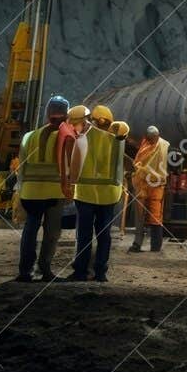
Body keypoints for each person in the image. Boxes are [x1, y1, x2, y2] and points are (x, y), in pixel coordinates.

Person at [14, 95, 74, 283]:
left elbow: (21, 167)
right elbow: (70, 165)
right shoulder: (68, 137)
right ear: (66, 114)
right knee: (52, 232)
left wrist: (20, 190)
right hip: (53, 192)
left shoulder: (29, 137)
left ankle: (25, 271)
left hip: (30, 192)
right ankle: (45, 269)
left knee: (30, 231)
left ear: (47, 113)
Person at [70, 105, 129, 283]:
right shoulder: (117, 137)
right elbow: (124, 128)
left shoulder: (82, 136)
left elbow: (73, 165)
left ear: (92, 120)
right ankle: (100, 272)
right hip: (108, 195)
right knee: (104, 236)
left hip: (85, 194)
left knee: (84, 236)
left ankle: (81, 271)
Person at [129, 126, 170, 253]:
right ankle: (140, 244)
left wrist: (139, 171)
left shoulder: (158, 146)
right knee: (143, 216)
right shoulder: (161, 144)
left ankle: (153, 245)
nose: (153, 141)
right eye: (151, 139)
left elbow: (138, 165)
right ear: (147, 138)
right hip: (148, 185)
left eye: (155, 139)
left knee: (155, 217)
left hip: (154, 185)